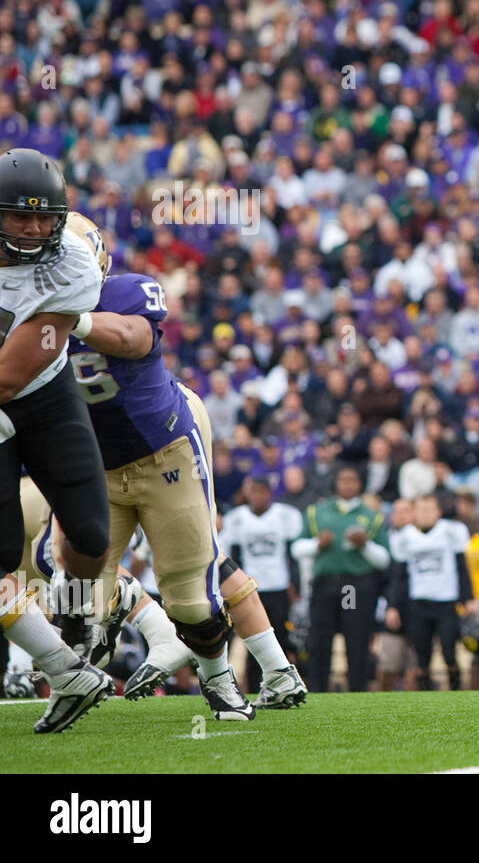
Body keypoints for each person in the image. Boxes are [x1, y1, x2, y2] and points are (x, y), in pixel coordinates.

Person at [55, 213, 307, 715]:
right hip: (98, 460)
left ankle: (228, 675)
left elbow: (131, 339)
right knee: (75, 590)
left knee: (195, 582)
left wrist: (66, 318)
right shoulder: (25, 312)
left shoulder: (124, 294)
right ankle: (100, 641)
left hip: (165, 442)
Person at [0, 150, 114, 733]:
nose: (34, 229)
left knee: (93, 536)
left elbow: (9, 377)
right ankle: (63, 670)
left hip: (41, 394)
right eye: (20, 217)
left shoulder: (71, 265)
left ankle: (71, 620)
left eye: (45, 218)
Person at [293, 466, 391, 692]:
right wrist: (317, 544)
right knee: (320, 639)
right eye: (343, 479)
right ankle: (317, 691)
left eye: (352, 479)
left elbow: (384, 559)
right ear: (336, 483)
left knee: (356, 637)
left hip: (353, 585)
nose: (347, 484)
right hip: (325, 583)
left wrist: (364, 544)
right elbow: (297, 548)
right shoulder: (317, 512)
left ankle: (357, 690)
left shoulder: (370, 515)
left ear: (359, 484)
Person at [219, 475, 308, 701]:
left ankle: (281, 683)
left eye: (262, 491)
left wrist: (294, 585)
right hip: (247, 588)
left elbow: (292, 554)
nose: (258, 496)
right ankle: (248, 689)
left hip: (278, 586)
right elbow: (232, 555)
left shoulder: (286, 515)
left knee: (278, 638)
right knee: (246, 639)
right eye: (254, 491)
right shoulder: (237, 518)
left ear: (269, 493)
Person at [387, 493, 472, 690]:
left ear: (438, 512)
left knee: (449, 652)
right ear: (414, 513)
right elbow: (399, 576)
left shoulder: (451, 532)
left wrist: (467, 598)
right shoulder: (405, 537)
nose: (424, 514)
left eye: (429, 510)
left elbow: (462, 567)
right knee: (421, 655)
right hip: (419, 602)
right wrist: (392, 605)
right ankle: (425, 697)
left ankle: (457, 693)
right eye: (420, 510)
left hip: (446, 600)